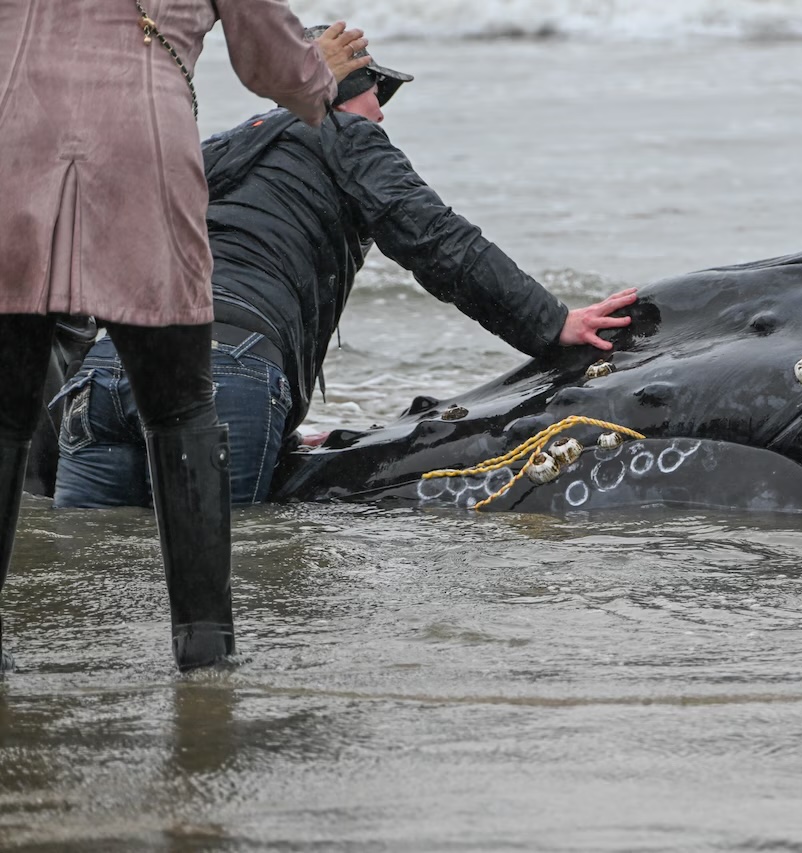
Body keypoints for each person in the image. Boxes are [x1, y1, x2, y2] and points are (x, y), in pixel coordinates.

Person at [52, 29, 638, 513]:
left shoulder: (217, 154)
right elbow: (436, 239)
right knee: (233, 577)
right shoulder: (344, 135)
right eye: (374, 92)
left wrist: (275, 427)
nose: (381, 111)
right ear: (336, 95)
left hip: (109, 374)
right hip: (226, 377)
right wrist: (552, 323)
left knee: (93, 567)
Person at [0, 2, 368, 674]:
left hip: (10, 134)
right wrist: (317, 83)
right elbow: (265, 50)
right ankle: (204, 651)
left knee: (4, 414)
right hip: (140, 139)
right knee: (180, 410)